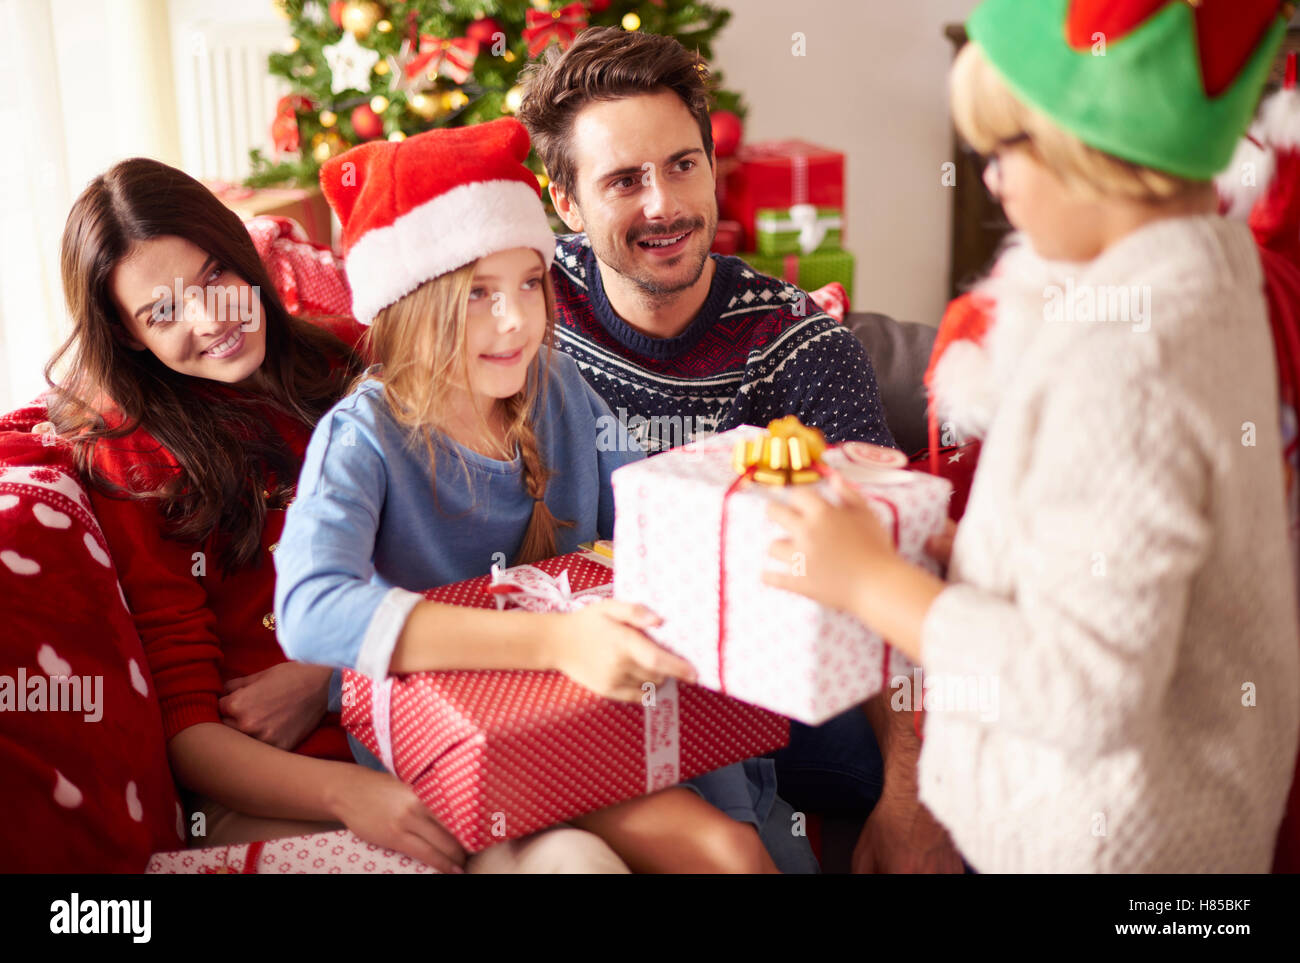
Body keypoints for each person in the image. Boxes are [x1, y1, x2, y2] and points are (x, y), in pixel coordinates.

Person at [765, 0, 1300, 871]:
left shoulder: (1124, 365)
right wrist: (962, 547)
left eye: (1007, 150)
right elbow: (1127, 557)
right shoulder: (1213, 281)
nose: (991, 180)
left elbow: (1079, 687)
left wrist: (866, 581)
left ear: (1100, 153)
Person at [47, 156, 628, 873]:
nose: (211, 320)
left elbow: (472, 553)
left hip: (435, 720)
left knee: (580, 862)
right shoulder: (133, 462)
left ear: (244, 259)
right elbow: (190, 732)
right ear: (129, 333)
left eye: (215, 278)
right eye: (162, 310)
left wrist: (322, 673)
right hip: (287, 780)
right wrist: (349, 793)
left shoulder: (351, 363)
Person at [273, 118, 785, 873]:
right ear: (412, 304)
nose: (515, 320)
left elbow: (647, 507)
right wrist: (557, 642)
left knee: (725, 846)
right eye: (478, 294)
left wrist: (772, 487)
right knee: (647, 855)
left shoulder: (555, 385)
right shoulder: (363, 439)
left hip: (573, 711)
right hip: (456, 740)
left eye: (526, 285)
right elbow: (308, 608)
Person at [517, 24, 949, 872]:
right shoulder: (524, 313)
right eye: (624, 180)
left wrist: (912, 805)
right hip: (577, 679)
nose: (664, 206)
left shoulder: (799, 346)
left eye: (683, 164)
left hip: (765, 696)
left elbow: (896, 577)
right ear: (565, 202)